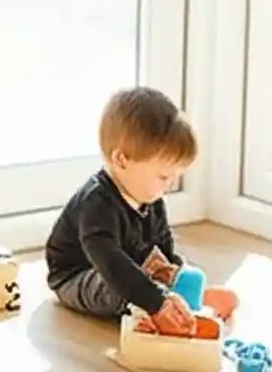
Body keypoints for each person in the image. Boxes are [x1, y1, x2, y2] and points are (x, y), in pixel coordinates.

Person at [45, 86, 198, 334]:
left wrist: (172, 270)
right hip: (79, 274)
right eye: (163, 176)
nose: (170, 184)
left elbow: (162, 239)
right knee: (118, 285)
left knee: (160, 274)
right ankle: (140, 311)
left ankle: (168, 301)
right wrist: (155, 302)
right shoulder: (96, 203)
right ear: (121, 160)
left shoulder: (150, 196)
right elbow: (110, 262)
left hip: (126, 265)